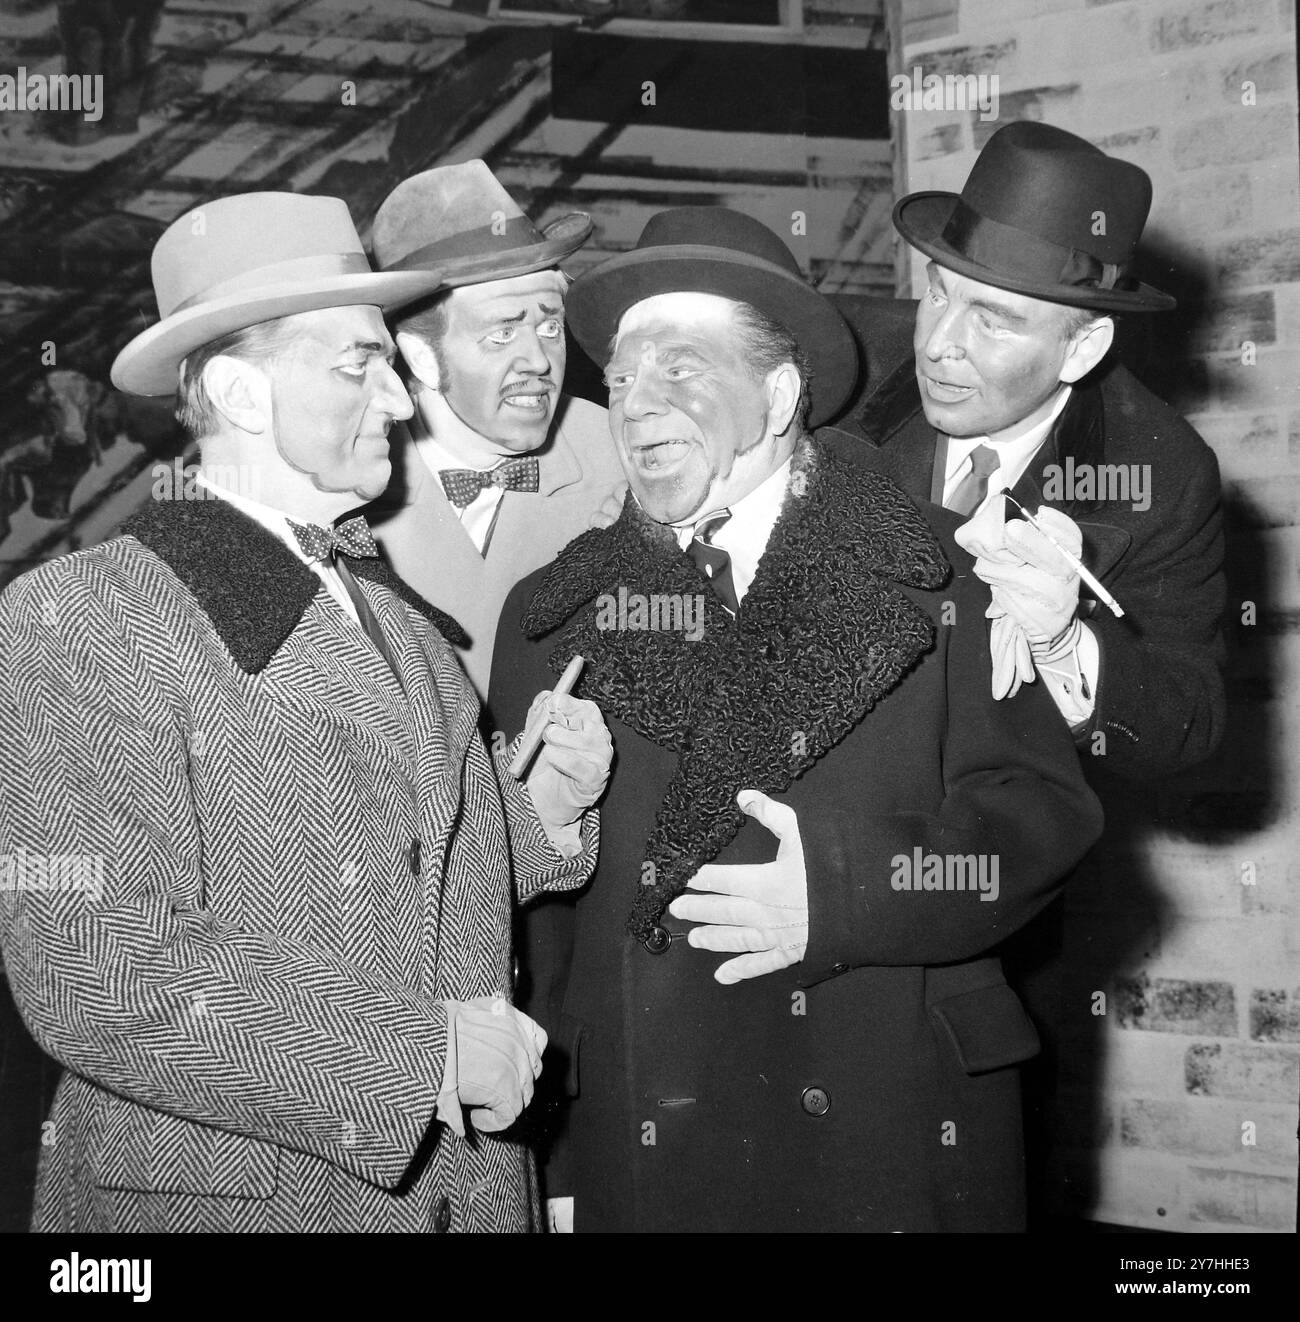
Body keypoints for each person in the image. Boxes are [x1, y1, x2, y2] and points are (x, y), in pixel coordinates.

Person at [0, 191, 612, 1233]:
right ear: (241, 392)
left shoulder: (392, 616)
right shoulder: (87, 613)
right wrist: (422, 1056)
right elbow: (95, 966)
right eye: (358, 364)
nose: (402, 400)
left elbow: (412, 861)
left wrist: (541, 810)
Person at [491, 207, 1104, 1233]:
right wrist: (555, 1156)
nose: (636, 403)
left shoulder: (947, 576)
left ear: (776, 394)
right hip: (652, 1140)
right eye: (624, 374)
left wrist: (846, 890)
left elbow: (1032, 826)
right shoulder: (552, 614)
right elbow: (538, 932)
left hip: (887, 1117)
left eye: (679, 367)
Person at [827, 121, 1226, 778]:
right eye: (938, 291)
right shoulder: (840, 356)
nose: (936, 343)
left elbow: (1189, 720)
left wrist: (1066, 645)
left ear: (1082, 348)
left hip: (991, 840)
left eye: (992, 321)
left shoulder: (1164, 470)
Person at [366, 161, 625, 702]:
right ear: (423, 357)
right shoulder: (350, 481)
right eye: (503, 333)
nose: (539, 360)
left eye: (549, 326)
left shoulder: (619, 451)